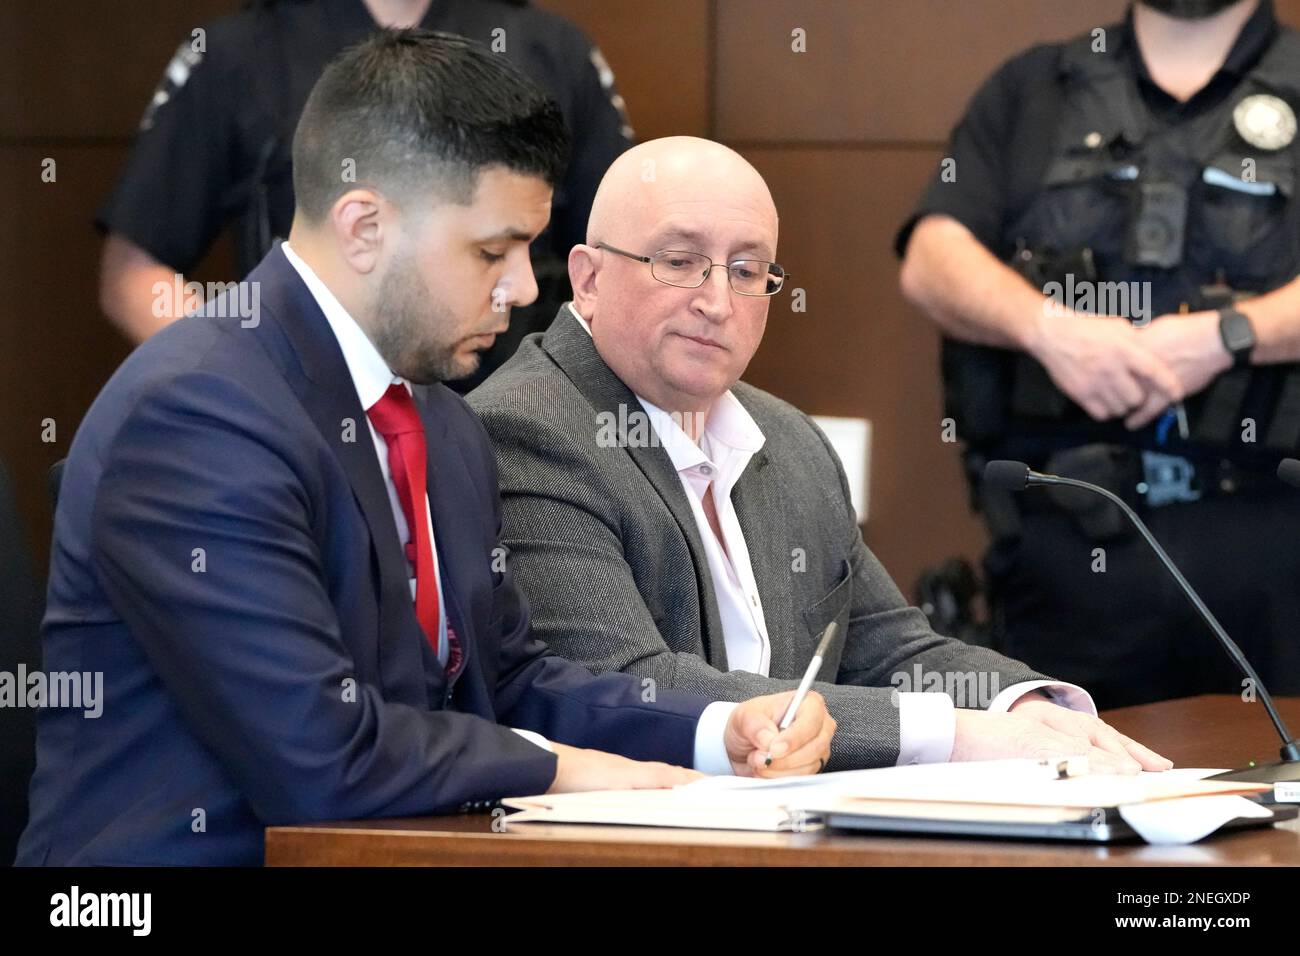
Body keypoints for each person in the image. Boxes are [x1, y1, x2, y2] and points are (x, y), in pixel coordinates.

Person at [17, 32, 832, 867]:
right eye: (492, 252)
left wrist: (711, 732)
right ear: (364, 225)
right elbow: (318, 754)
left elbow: (508, 680)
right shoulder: (196, 414)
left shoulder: (440, 418)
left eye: (527, 252)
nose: (521, 290)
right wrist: (567, 772)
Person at [469, 135, 1174, 774]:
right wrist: (955, 736)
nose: (718, 300)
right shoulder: (529, 431)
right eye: (681, 262)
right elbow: (627, 686)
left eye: (748, 271)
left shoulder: (790, 440)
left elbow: (887, 647)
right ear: (588, 278)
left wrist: (1018, 707)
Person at [897, 0, 1300, 707]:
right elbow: (932, 260)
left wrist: (1228, 337)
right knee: (1061, 794)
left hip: (1275, 554)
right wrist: (1051, 329)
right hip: (1072, 551)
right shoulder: (1034, 89)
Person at [97, 0, 632, 391]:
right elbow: (137, 267)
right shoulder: (242, 52)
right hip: (305, 389)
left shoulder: (550, 46)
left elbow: (618, 262)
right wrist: (243, 378)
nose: (520, 286)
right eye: (491, 250)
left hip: (509, 402)